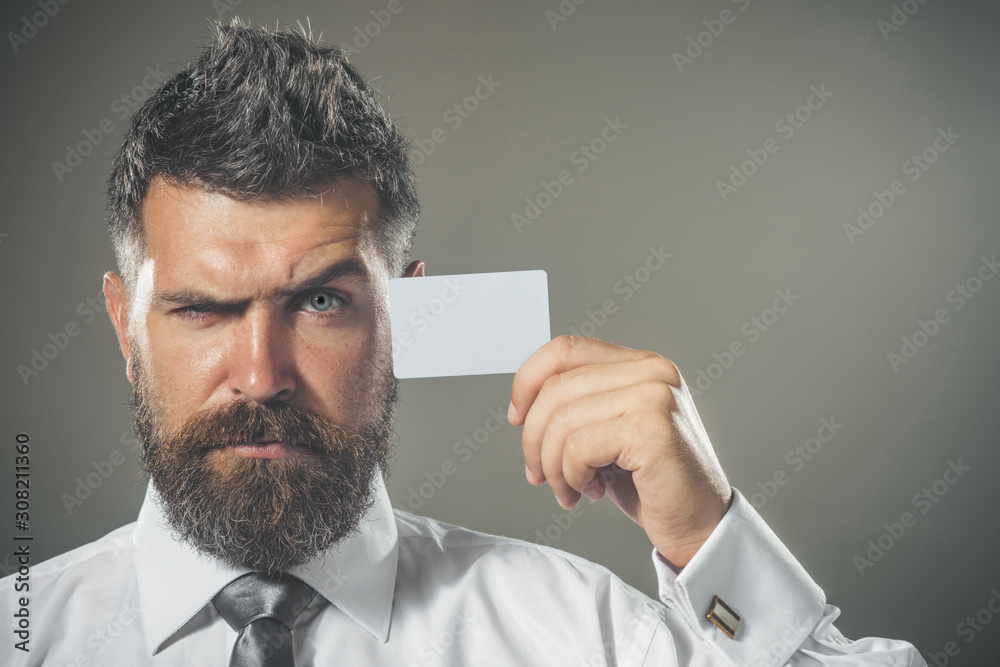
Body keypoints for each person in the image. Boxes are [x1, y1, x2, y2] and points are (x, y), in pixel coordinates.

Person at [1, 19, 926, 666]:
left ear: (406, 316)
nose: (261, 375)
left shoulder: (584, 636)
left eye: (320, 301)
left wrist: (707, 538)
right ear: (125, 327)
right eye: (203, 309)